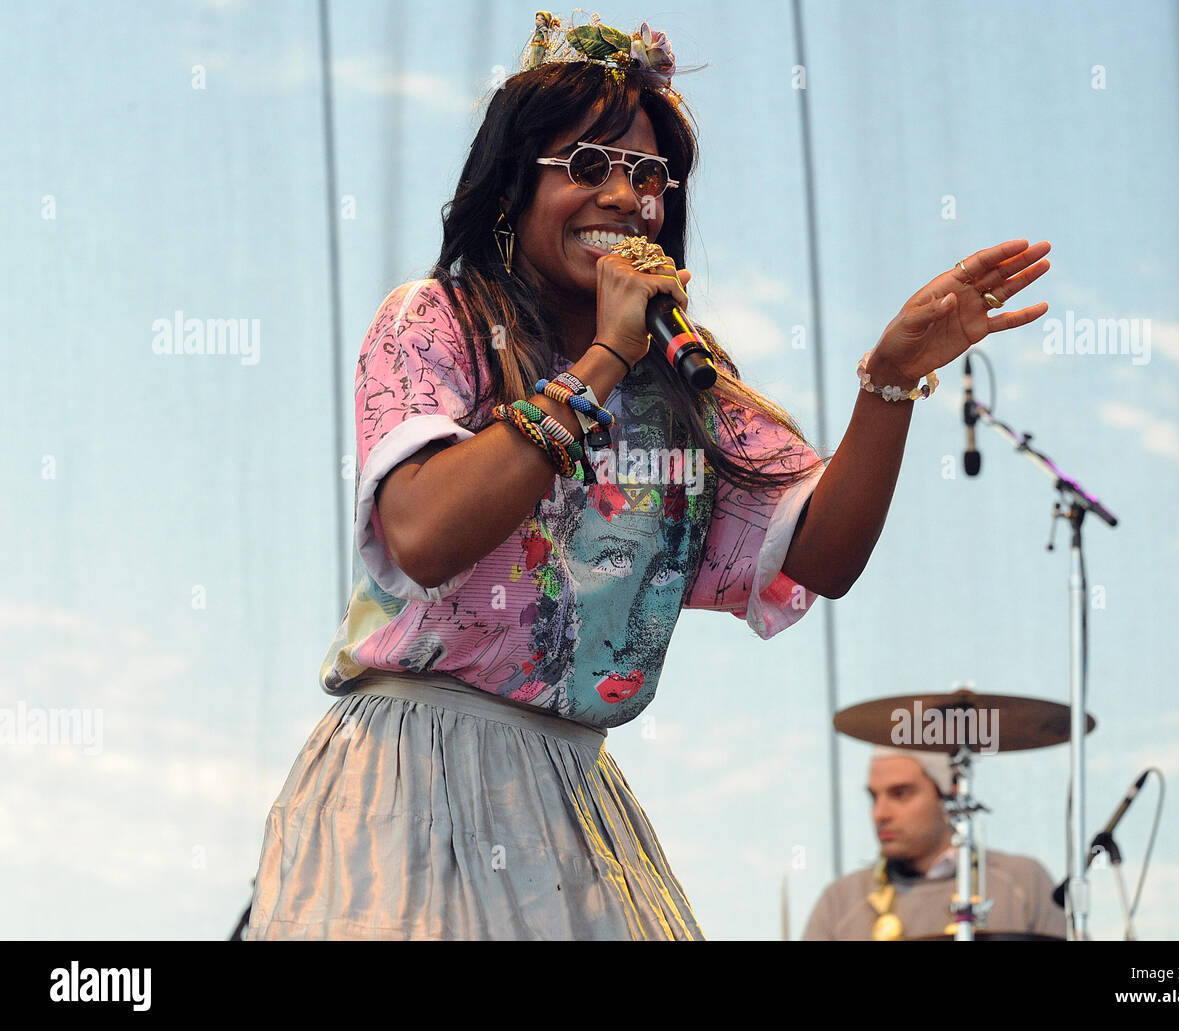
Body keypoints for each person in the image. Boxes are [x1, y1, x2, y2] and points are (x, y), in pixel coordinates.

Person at [244, 11, 1052, 940]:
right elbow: (423, 533)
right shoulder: (438, 321)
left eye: (649, 176)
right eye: (588, 166)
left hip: (571, 792)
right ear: (512, 186)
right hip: (410, 777)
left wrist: (891, 381)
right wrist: (599, 364)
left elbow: (823, 553)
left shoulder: (678, 381)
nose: (626, 198)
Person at [802, 747, 1067, 940]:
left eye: (900, 794)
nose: (880, 813)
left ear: (950, 794)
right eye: (874, 797)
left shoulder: (1023, 882)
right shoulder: (839, 901)